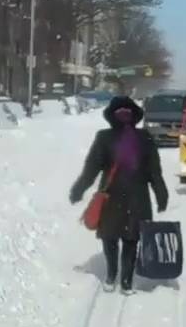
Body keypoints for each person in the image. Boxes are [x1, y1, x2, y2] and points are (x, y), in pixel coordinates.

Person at [69, 96, 169, 294]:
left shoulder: (105, 137)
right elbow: (154, 172)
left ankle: (112, 276)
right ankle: (125, 281)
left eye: (126, 113)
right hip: (136, 197)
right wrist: (161, 194)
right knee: (130, 240)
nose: (124, 116)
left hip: (112, 196)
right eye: (121, 113)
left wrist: (79, 189)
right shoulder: (144, 137)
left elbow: (92, 169)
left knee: (111, 238)